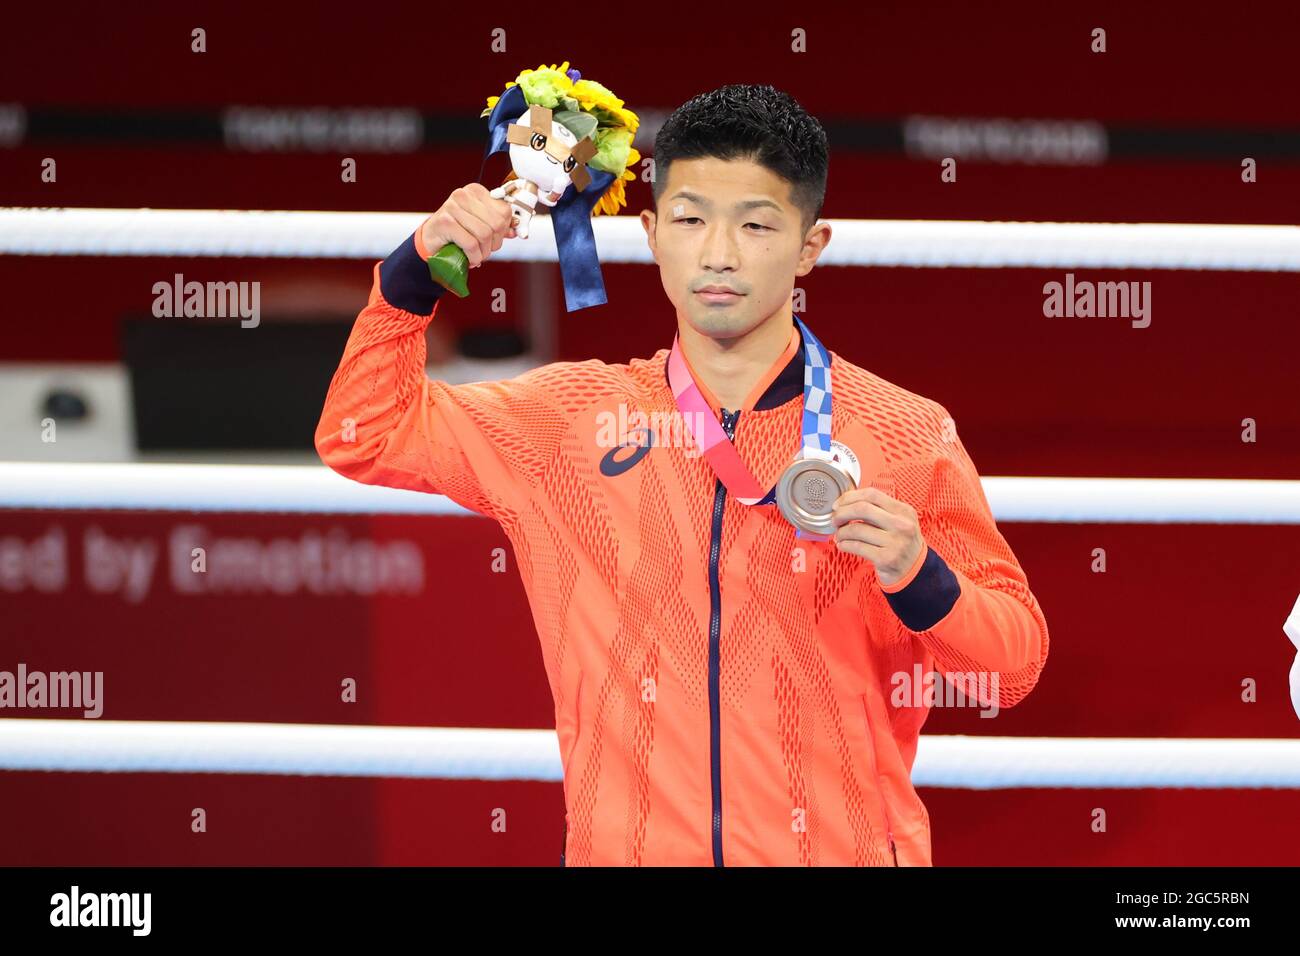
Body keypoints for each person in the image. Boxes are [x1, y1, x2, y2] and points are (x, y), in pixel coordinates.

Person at [315, 83, 1050, 866]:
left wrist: (920, 575)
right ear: (652, 231)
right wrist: (416, 273)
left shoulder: (906, 432)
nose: (719, 253)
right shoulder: (567, 421)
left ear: (812, 245)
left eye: (757, 224)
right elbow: (364, 433)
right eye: (692, 219)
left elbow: (1011, 672)